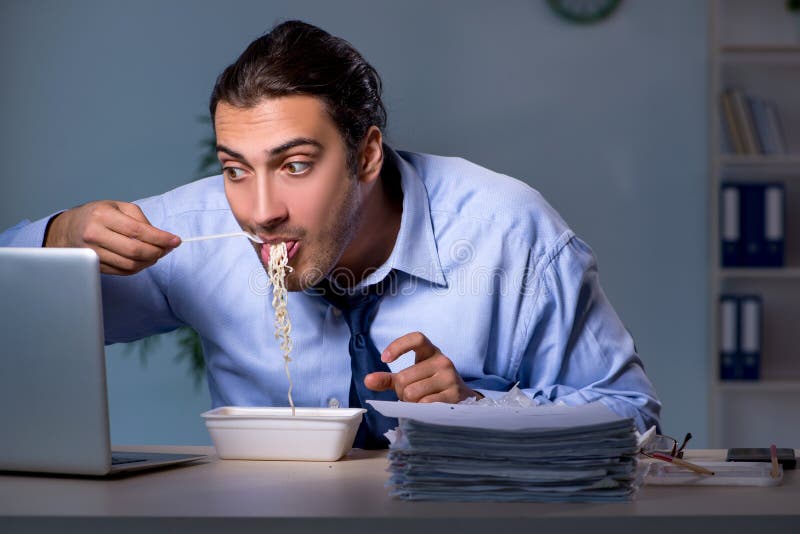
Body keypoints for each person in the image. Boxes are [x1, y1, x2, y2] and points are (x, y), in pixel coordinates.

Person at [0, 20, 660, 448]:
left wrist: (479, 408)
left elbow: (633, 415)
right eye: (235, 169)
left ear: (366, 156)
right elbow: (16, 323)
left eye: (294, 166)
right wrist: (61, 236)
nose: (260, 211)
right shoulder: (195, 227)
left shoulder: (510, 234)